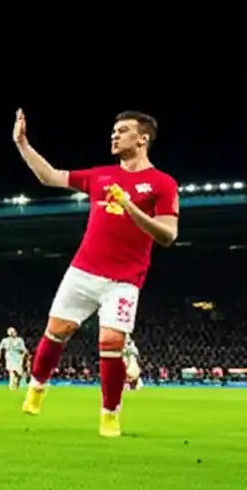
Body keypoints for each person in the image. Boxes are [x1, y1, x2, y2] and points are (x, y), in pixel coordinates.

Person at [13, 108, 178, 437]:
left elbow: (168, 235)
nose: (115, 135)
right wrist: (22, 145)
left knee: (112, 341)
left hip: (125, 280)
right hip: (83, 271)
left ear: (143, 138)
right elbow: (50, 176)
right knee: (55, 332)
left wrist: (129, 205)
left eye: (123, 130)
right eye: (114, 130)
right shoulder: (100, 175)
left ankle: (109, 414)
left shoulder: (162, 183)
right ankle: (37, 387)